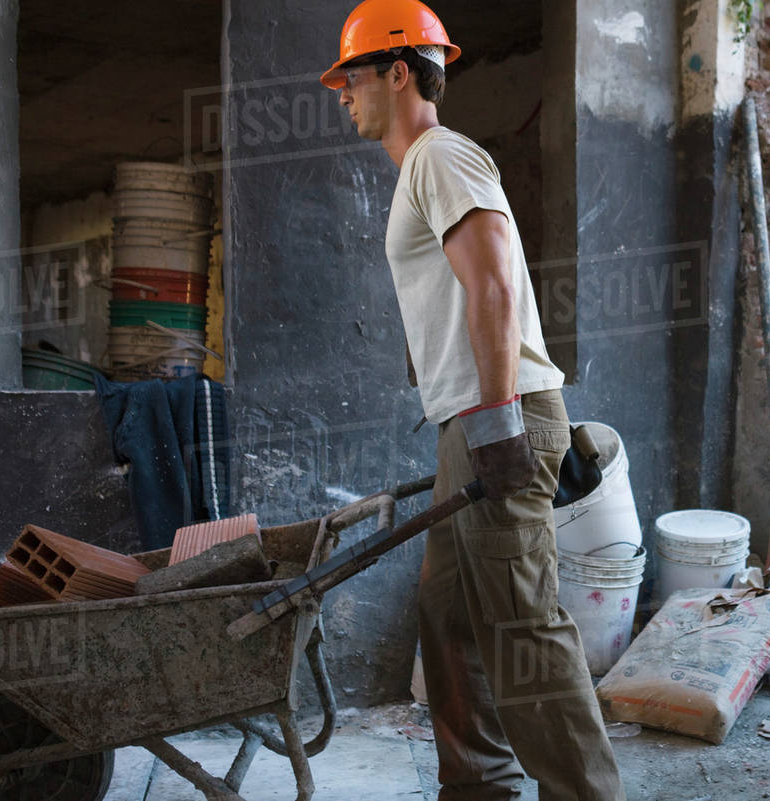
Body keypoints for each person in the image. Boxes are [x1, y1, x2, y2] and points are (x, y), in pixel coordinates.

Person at [320, 2, 626, 799]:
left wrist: (496, 424)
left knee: (523, 626)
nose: (342, 93)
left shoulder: (439, 156)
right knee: (447, 615)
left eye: (352, 77)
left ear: (398, 72)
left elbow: (491, 283)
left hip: (502, 416)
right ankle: (479, 785)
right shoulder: (424, 168)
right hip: (472, 422)